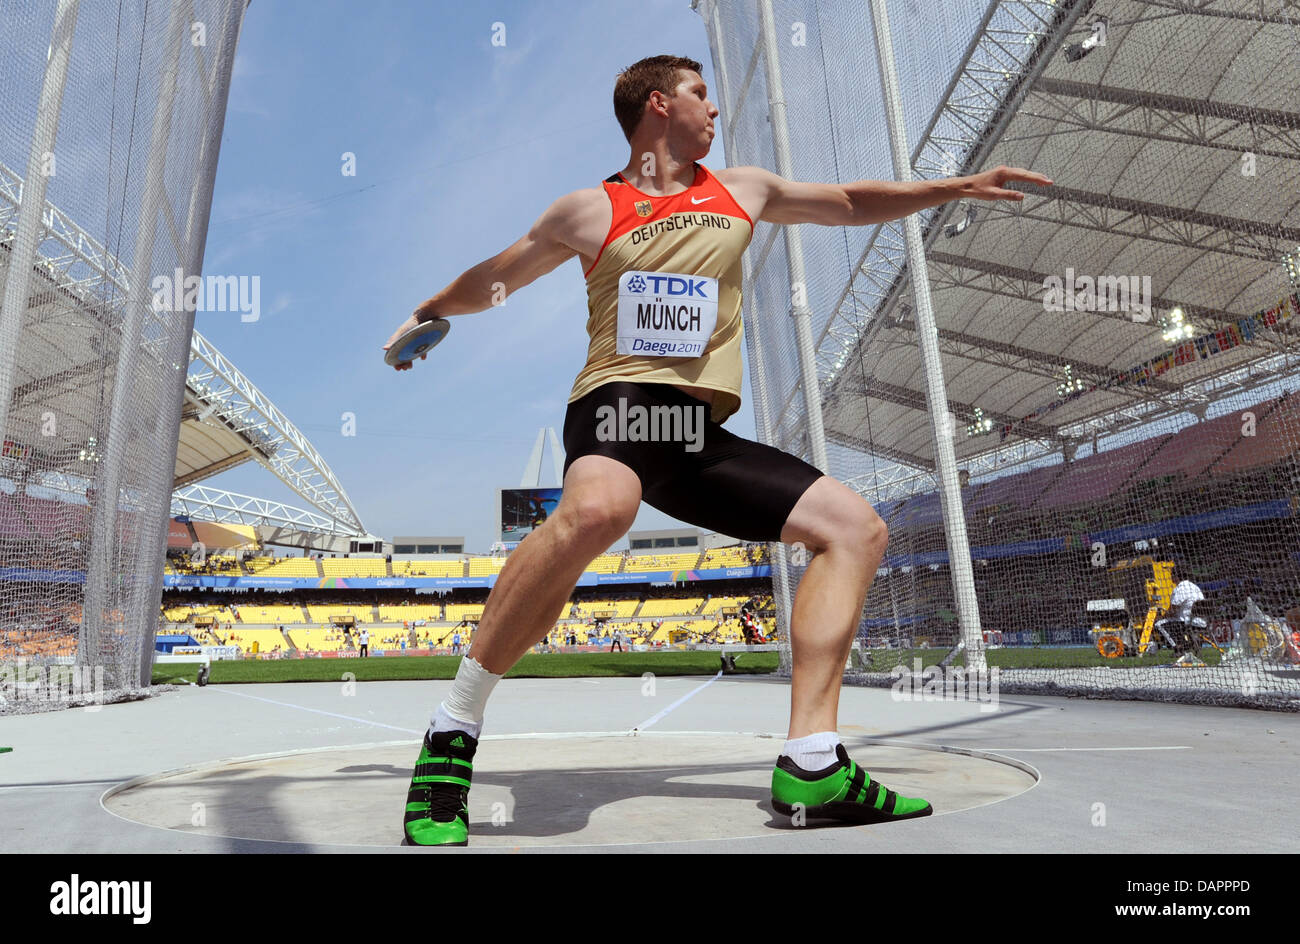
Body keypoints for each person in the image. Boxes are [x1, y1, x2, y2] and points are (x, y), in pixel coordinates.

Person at [385, 54, 1049, 847]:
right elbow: (499, 277)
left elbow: (844, 202)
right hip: (620, 406)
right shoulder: (589, 210)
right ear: (659, 104)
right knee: (601, 507)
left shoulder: (743, 189)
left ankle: (812, 761)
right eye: (702, 94)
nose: (716, 110)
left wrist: (952, 186)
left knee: (855, 529)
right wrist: (431, 311)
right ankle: (451, 735)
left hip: (695, 436)